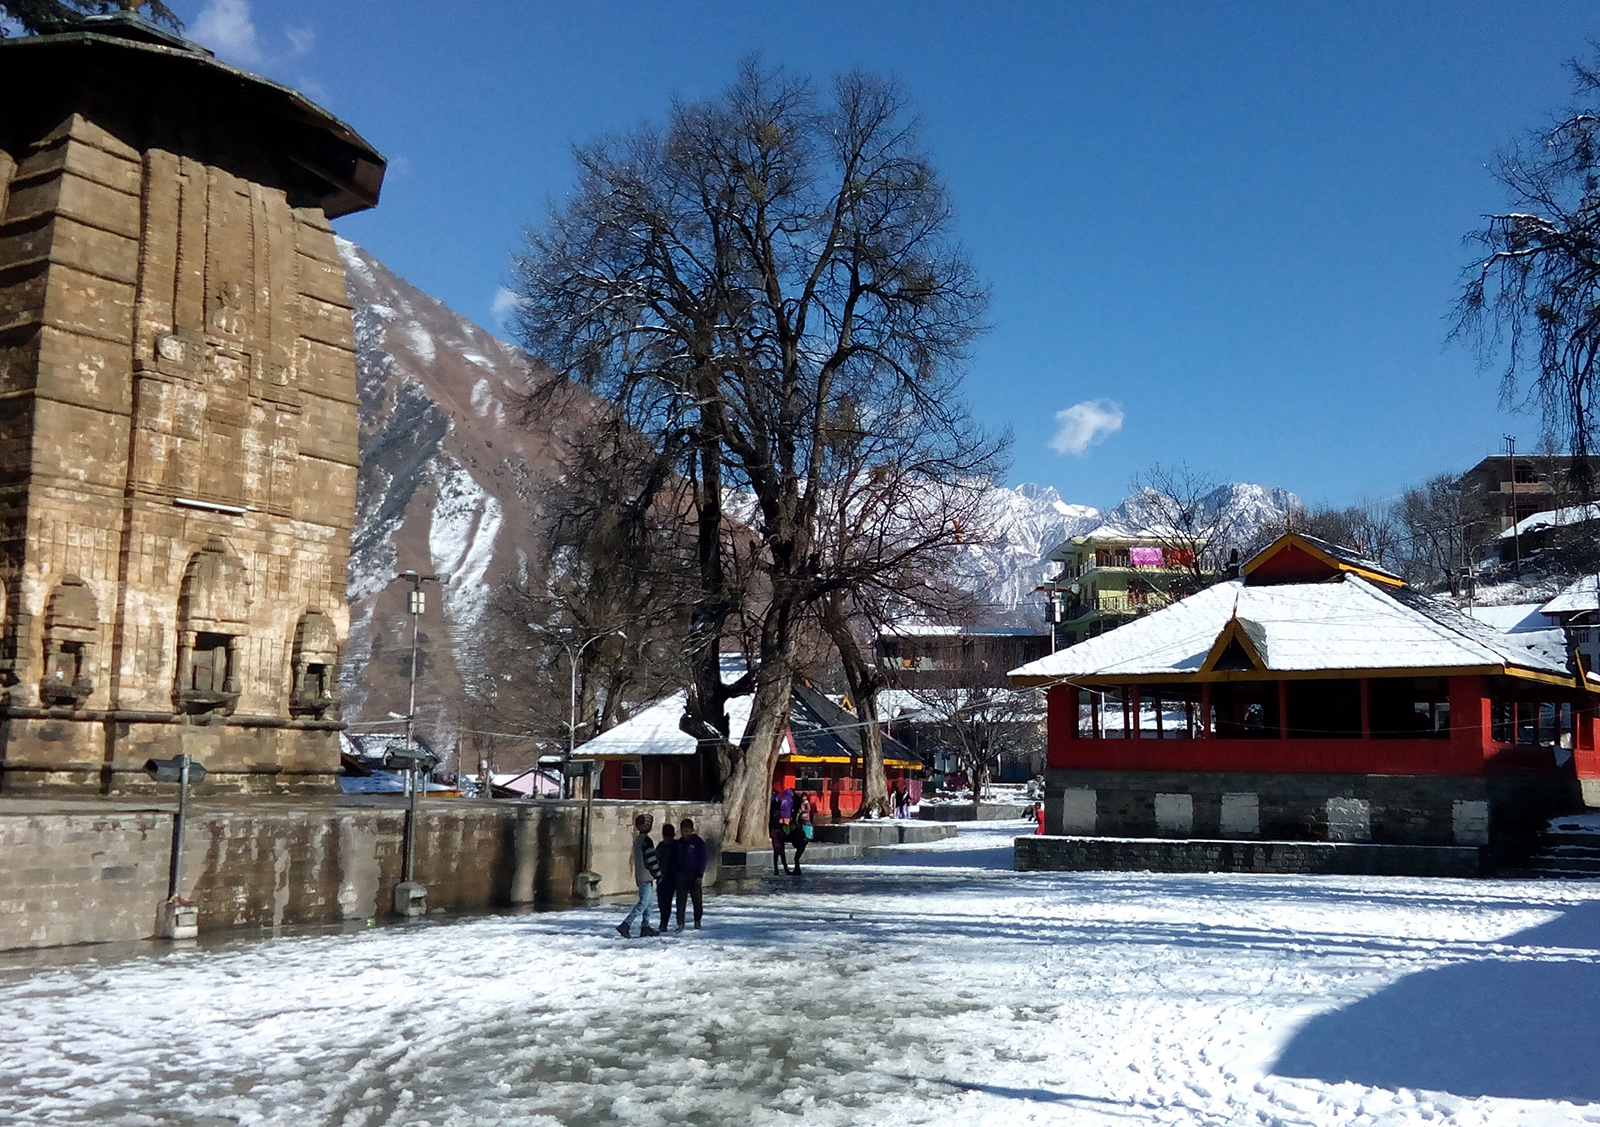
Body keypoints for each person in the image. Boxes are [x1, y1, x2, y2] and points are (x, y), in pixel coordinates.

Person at [616, 812, 660, 938]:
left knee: (649, 903)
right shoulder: (647, 841)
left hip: (640, 875)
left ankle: (646, 926)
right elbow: (651, 859)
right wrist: (658, 874)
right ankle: (626, 924)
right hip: (646, 875)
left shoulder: (638, 840)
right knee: (644, 903)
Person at [675, 817, 707, 930]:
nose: (685, 834)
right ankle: (680, 923)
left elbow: (703, 859)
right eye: (683, 831)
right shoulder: (679, 843)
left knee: (697, 900)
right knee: (681, 901)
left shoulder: (698, 842)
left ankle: (697, 921)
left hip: (694, 875)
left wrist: (700, 874)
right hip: (682, 875)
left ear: (692, 830)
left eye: (687, 831)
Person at [655, 821, 679, 933]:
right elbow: (656, 860)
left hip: (672, 877)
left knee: (667, 901)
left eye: (669, 836)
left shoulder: (676, 846)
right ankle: (663, 922)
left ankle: (664, 923)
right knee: (661, 902)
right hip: (661, 877)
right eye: (665, 835)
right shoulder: (661, 847)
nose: (667, 838)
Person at [789, 790, 813, 875]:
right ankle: (797, 870)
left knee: (797, 857)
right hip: (802, 837)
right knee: (797, 857)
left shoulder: (806, 804)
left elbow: (808, 810)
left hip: (802, 838)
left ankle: (797, 870)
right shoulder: (801, 805)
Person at [769, 793, 790, 875]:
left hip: (775, 833)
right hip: (778, 833)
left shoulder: (773, 815)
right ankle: (785, 869)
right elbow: (781, 825)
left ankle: (776, 870)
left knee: (776, 854)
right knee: (781, 854)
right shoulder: (779, 815)